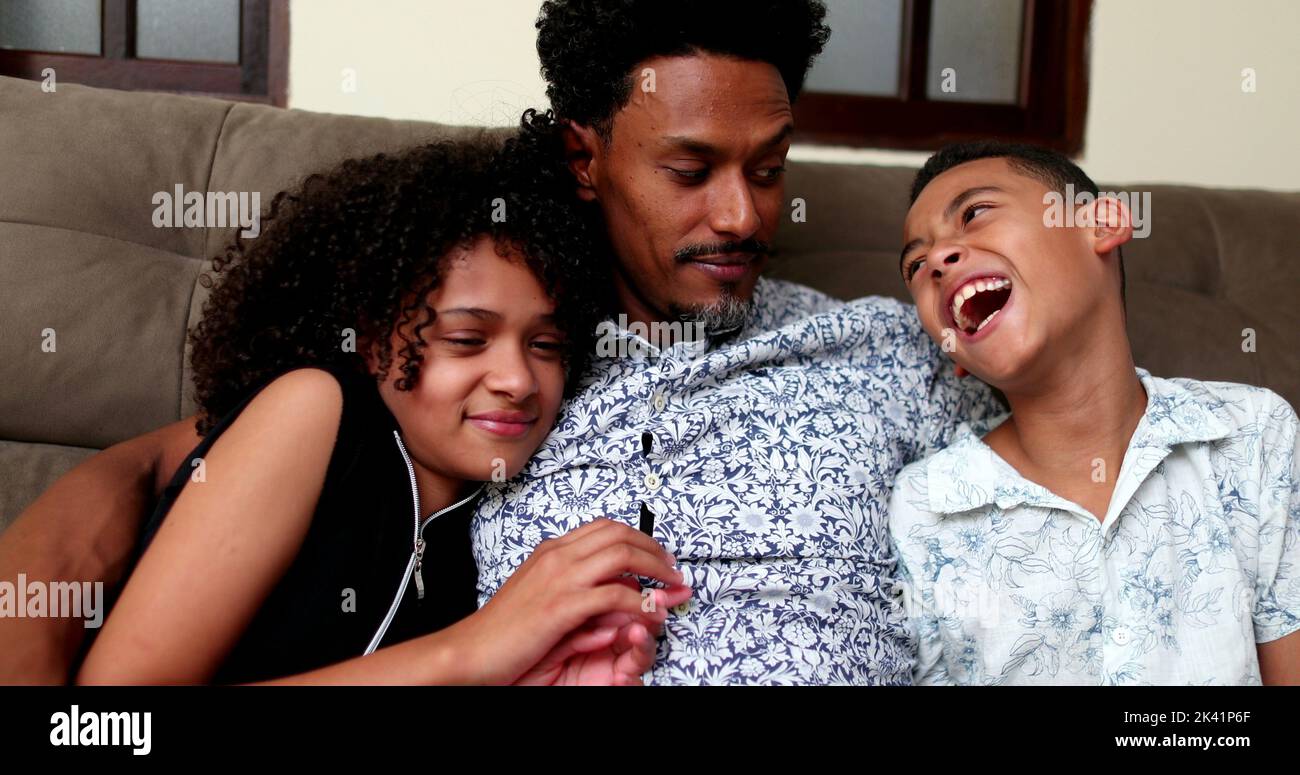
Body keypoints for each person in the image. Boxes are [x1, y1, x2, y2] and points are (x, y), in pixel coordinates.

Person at [1, 0, 999, 686]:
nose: (741, 213)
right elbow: (169, 467)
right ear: (584, 155)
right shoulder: (450, 380)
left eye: (771, 169)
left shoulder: (874, 346)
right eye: (689, 169)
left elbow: (1093, 470)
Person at [76, 127, 689, 685]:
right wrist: (467, 653)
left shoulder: (499, 515)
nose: (517, 380)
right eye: (466, 340)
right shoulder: (313, 412)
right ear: (370, 340)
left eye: (547, 345)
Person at [889, 141, 1300, 685]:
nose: (939, 259)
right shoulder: (926, 506)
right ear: (952, 352)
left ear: (1101, 225)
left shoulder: (1251, 435)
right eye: (916, 265)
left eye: (975, 214)